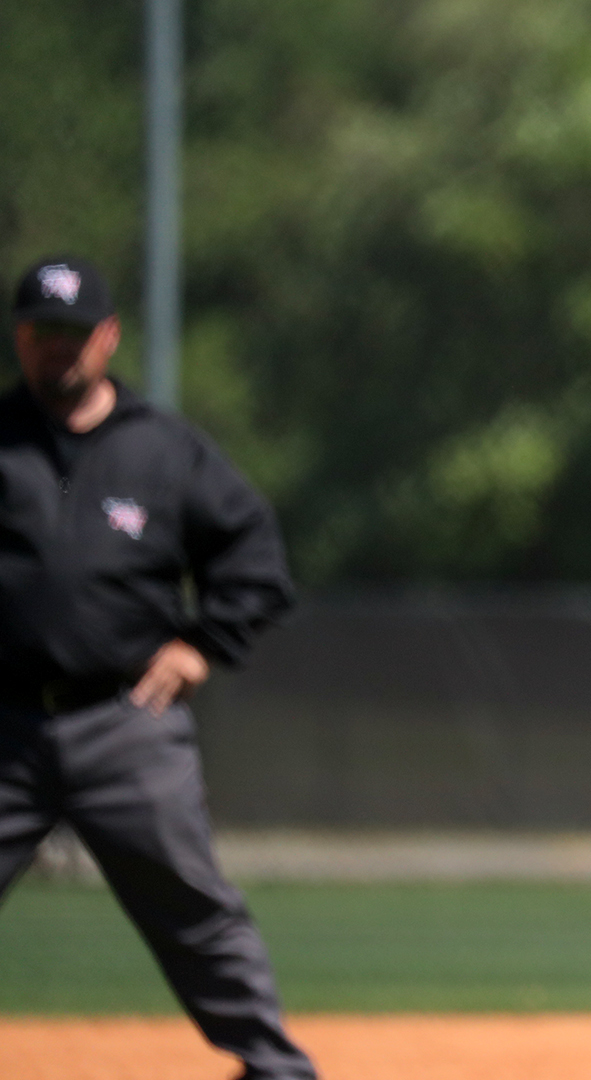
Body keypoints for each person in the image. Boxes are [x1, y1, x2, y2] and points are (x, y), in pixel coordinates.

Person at [0, 256, 316, 1080]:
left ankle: (273, 1068)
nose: (56, 349)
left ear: (108, 337)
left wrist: (203, 644)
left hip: (122, 723)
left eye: (73, 333)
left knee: (191, 907)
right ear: (18, 338)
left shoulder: (164, 450)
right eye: (40, 332)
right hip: (5, 727)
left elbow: (255, 557)